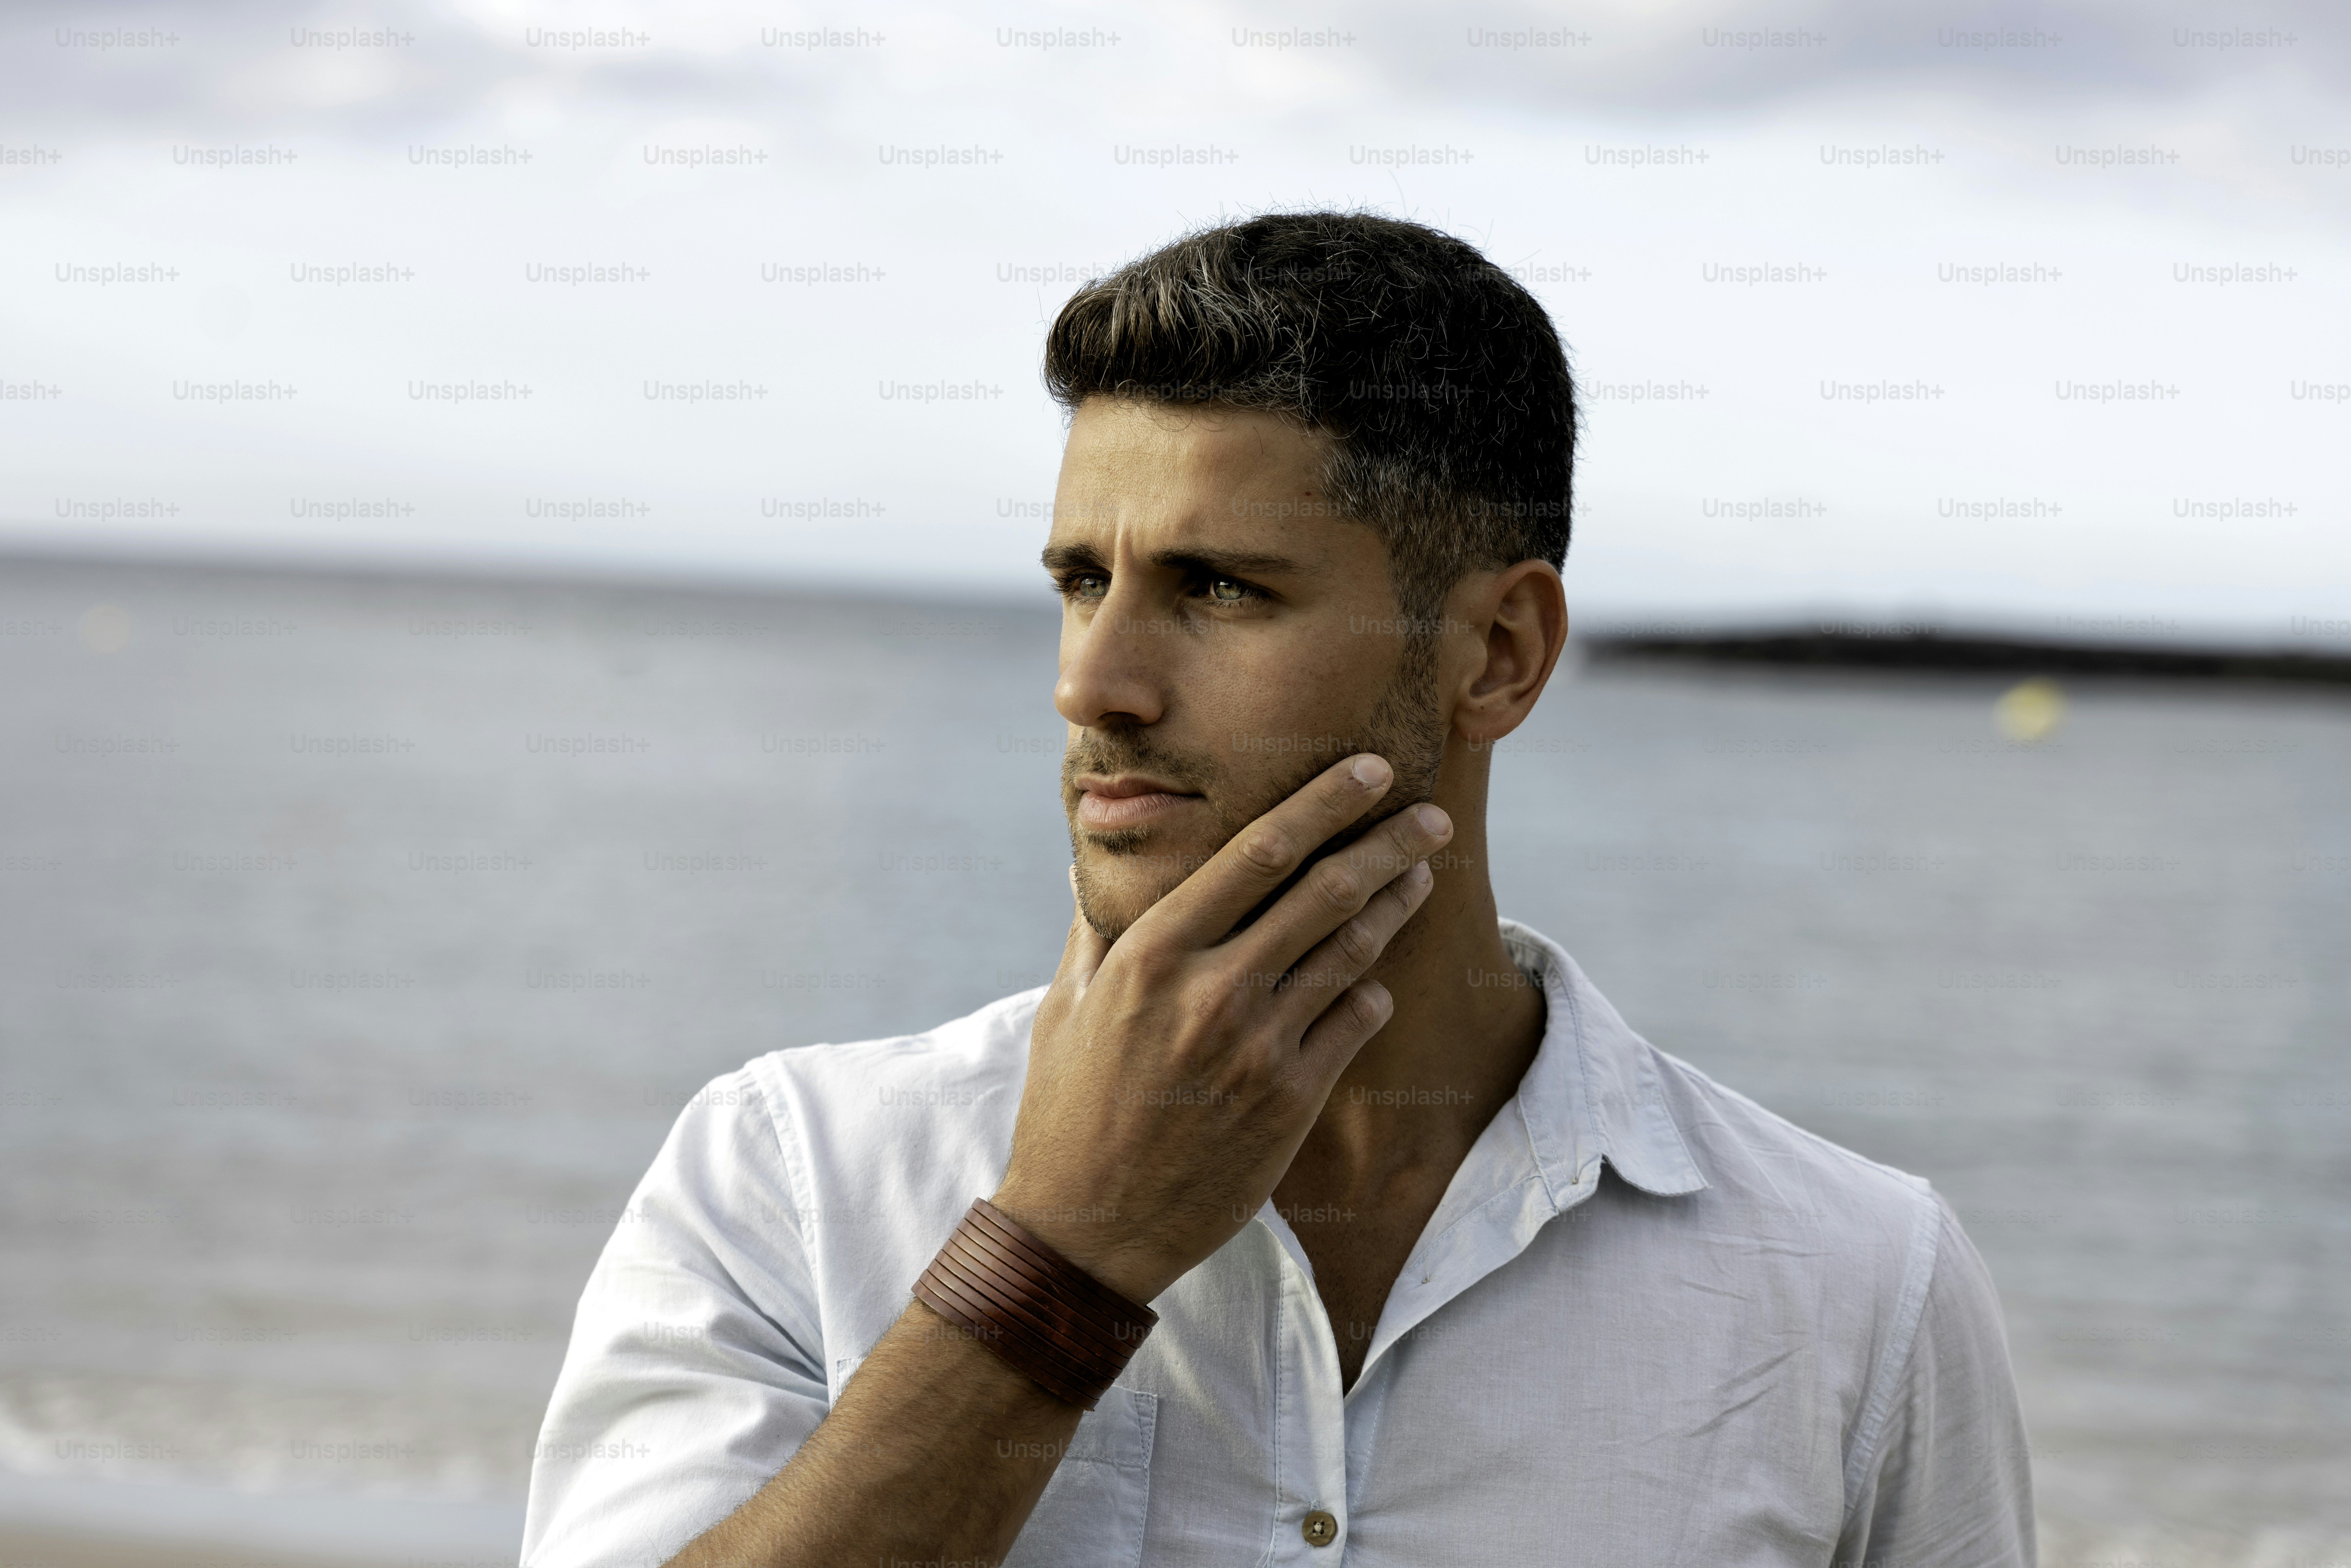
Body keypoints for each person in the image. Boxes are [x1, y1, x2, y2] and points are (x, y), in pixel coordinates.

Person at [520, 211, 2035, 1567]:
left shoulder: (1858, 1284)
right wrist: (1058, 1258)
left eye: (1218, 588)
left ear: (1496, 656)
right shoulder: (792, 1173)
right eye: (1081, 581)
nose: (1092, 683)